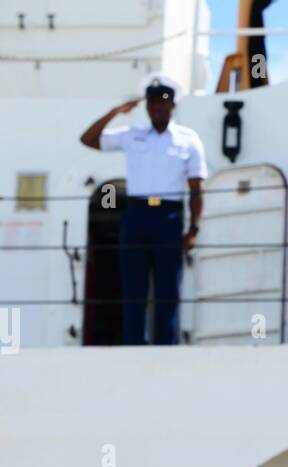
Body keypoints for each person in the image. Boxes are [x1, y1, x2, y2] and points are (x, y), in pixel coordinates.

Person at [80, 72, 207, 345]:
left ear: (173, 104)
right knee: (133, 290)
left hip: (169, 216)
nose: (158, 106)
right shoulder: (131, 135)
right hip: (136, 215)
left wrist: (193, 229)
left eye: (163, 101)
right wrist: (116, 111)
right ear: (147, 106)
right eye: (152, 102)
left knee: (168, 292)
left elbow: (196, 190)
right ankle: (133, 349)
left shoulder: (189, 140)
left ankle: (165, 351)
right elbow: (88, 139)